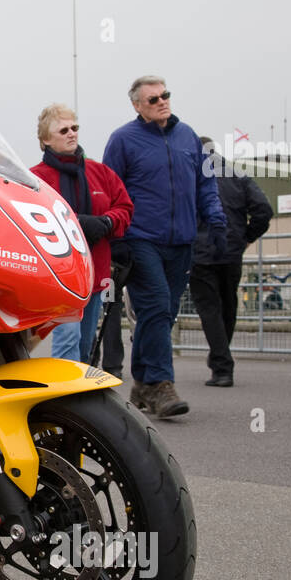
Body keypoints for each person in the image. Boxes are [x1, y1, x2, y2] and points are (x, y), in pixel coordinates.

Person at [103, 76, 226, 419]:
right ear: (137, 105)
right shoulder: (123, 140)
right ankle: (160, 385)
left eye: (165, 95)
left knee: (163, 314)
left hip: (181, 241)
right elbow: (111, 191)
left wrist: (216, 221)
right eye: (153, 98)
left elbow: (206, 184)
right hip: (141, 238)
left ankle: (141, 381)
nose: (162, 101)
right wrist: (117, 239)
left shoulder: (188, 136)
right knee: (155, 305)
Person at [29, 104, 132, 362]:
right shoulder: (34, 179)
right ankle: (63, 397)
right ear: (45, 139)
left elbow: (125, 207)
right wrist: (73, 223)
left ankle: (77, 394)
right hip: (57, 278)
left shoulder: (101, 173)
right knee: (68, 339)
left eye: (75, 128)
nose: (71, 133)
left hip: (94, 274)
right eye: (63, 130)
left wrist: (107, 222)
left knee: (85, 344)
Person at [189, 139, 273, 387]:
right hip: (231, 250)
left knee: (209, 309)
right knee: (228, 305)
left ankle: (222, 364)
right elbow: (264, 210)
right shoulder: (238, 176)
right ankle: (221, 358)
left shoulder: (189, 178)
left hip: (200, 251)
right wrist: (246, 237)